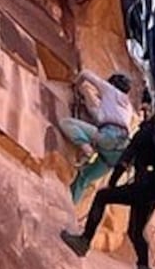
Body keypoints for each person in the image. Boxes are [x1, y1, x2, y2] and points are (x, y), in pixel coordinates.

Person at [60, 113, 155, 269]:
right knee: (135, 230)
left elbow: (127, 157)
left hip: (142, 186)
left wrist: (113, 181)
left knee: (102, 196)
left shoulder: (146, 131)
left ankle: (84, 241)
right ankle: (144, 267)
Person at [58, 71, 137, 204]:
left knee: (66, 123)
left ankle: (86, 148)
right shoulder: (127, 106)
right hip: (118, 153)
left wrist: (76, 84)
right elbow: (99, 115)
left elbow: (86, 74)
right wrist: (86, 96)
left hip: (108, 137)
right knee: (84, 178)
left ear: (112, 82)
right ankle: (70, 207)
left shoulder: (110, 90)